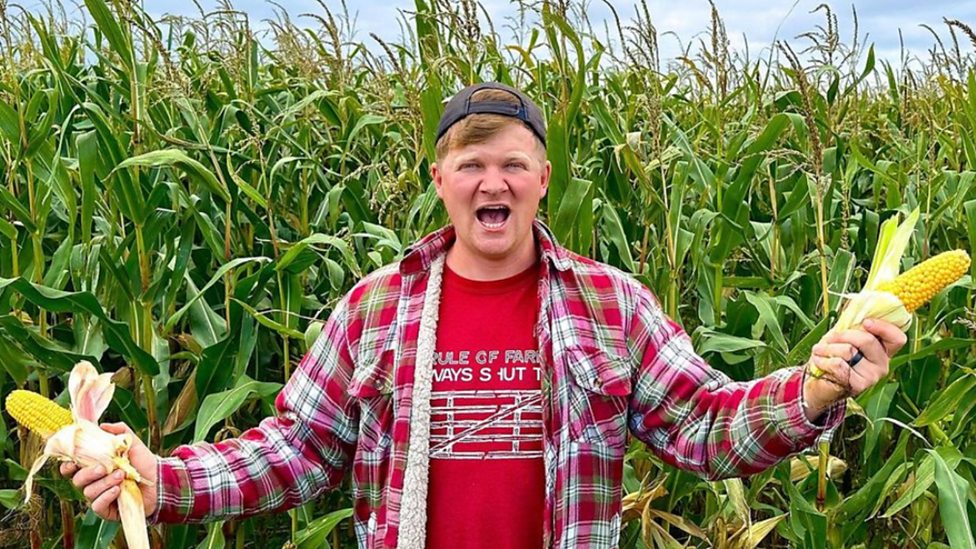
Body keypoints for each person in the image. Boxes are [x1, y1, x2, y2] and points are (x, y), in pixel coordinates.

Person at [60, 82, 906, 548]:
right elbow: (296, 450)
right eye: (470, 164)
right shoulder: (376, 308)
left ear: (543, 180)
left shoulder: (611, 305)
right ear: (440, 180)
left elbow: (707, 426)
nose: (491, 183)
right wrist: (159, 477)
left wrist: (817, 389)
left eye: (512, 163)